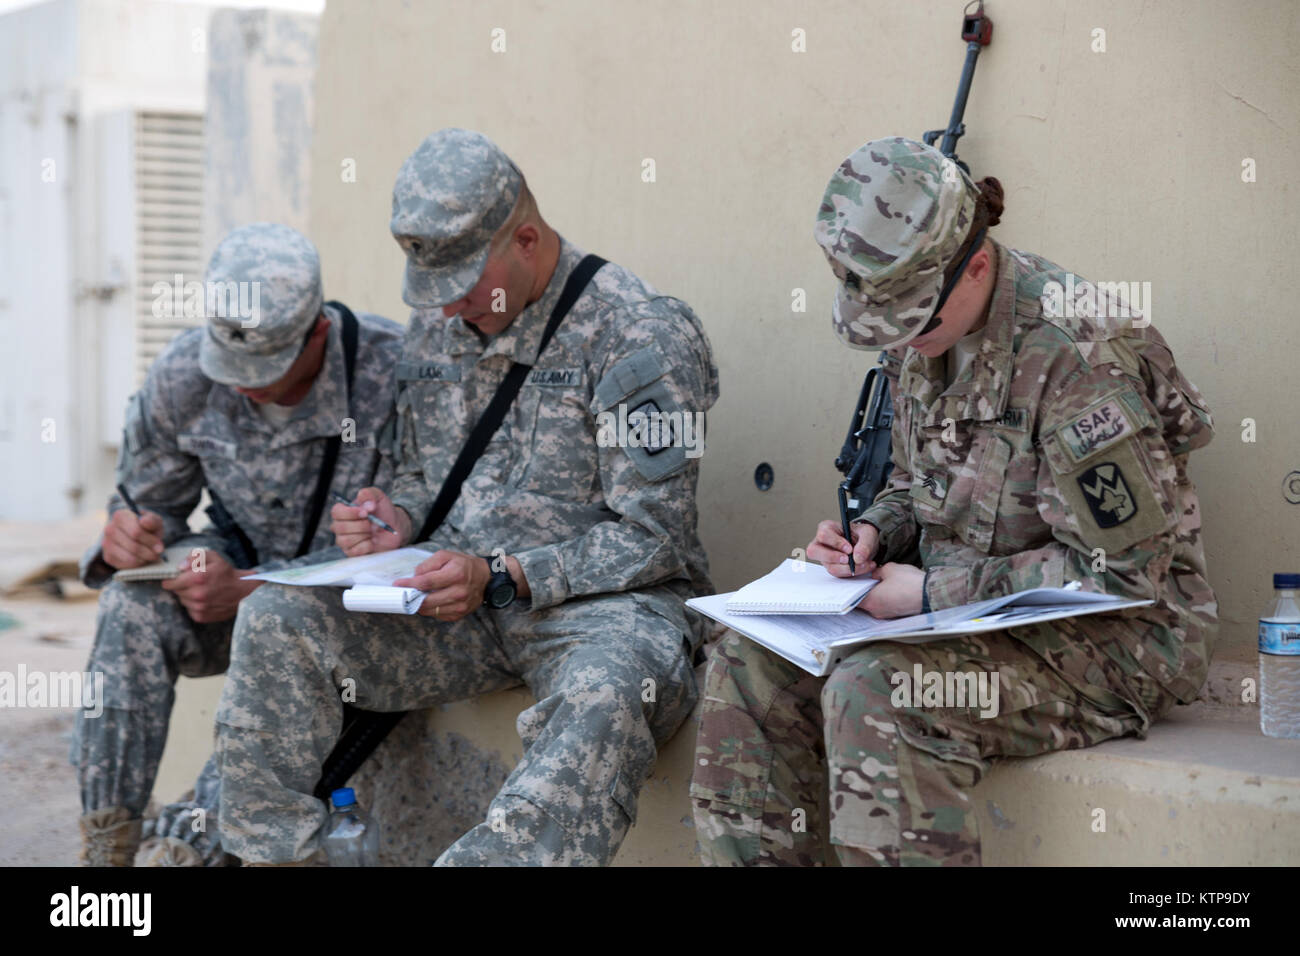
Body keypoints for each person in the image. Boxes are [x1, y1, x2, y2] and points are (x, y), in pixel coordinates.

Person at [691, 136, 1218, 866]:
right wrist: (875, 532)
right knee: (745, 661)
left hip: (1122, 641)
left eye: (914, 323)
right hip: (962, 617)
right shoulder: (923, 323)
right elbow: (919, 481)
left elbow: (1125, 576)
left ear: (974, 264)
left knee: (879, 691)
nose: (903, 344)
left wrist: (931, 592)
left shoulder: (1077, 359)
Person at [214, 128, 719, 866]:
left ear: (524, 239)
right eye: (434, 293)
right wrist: (397, 519)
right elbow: (424, 473)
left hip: (600, 610)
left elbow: (657, 536)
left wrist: (506, 576)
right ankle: (274, 860)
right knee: (275, 617)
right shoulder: (439, 327)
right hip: (456, 603)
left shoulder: (641, 335)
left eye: (462, 289)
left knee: (608, 692)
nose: (448, 311)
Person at [75, 223, 404, 866]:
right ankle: (105, 851)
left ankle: (188, 845)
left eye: (266, 368)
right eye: (231, 367)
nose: (244, 387)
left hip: (355, 615)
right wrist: (133, 536)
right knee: (127, 607)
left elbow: (416, 545)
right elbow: (150, 506)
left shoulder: (393, 373)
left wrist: (250, 588)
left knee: (274, 625)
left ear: (318, 332)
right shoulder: (183, 376)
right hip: (227, 584)